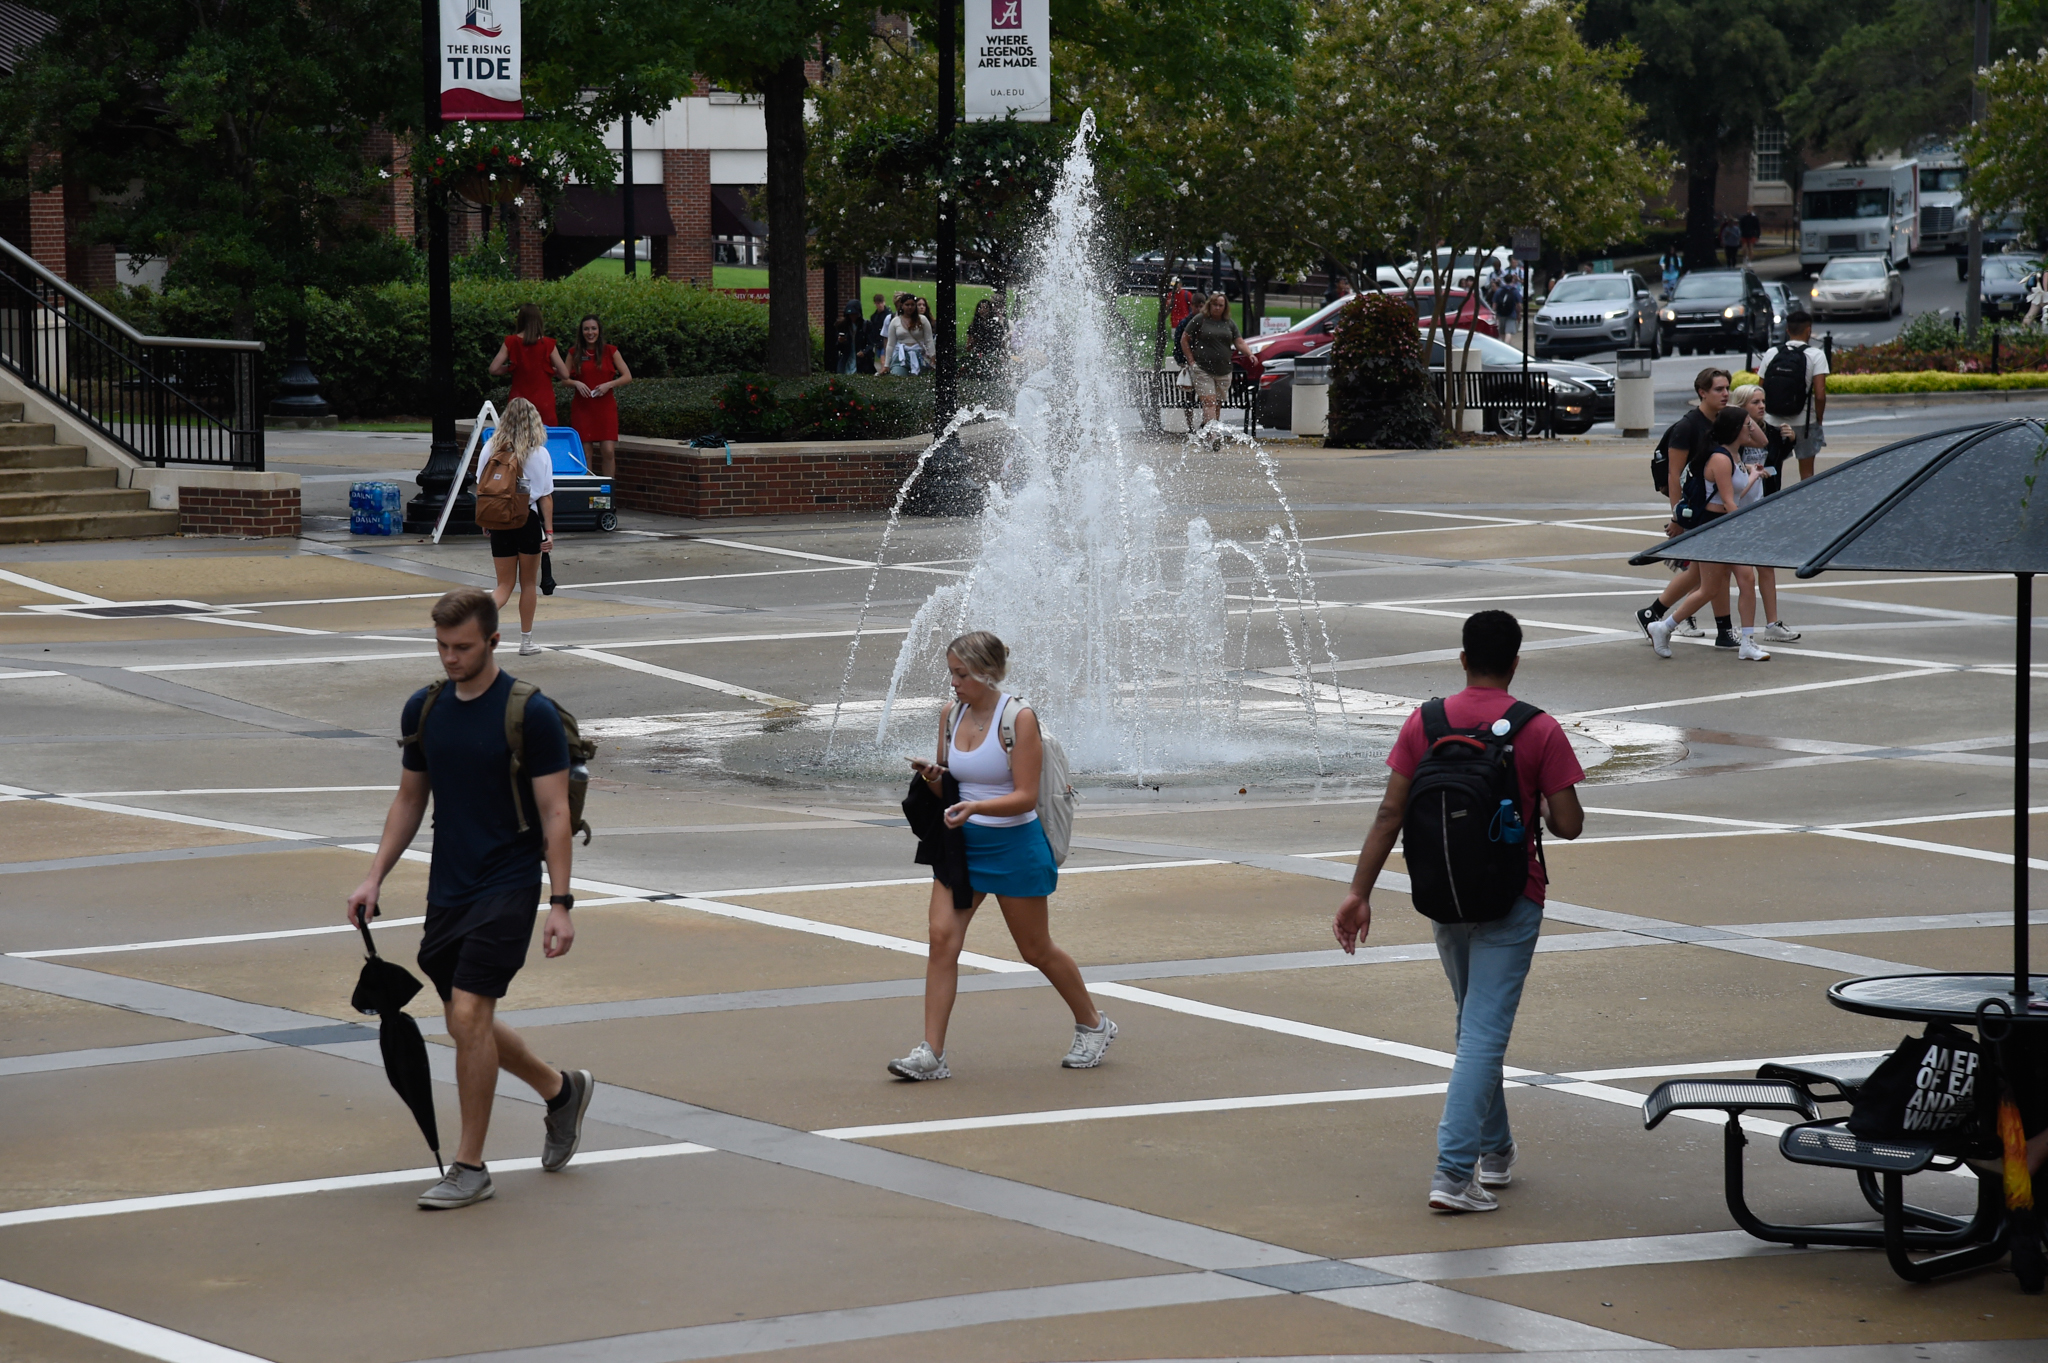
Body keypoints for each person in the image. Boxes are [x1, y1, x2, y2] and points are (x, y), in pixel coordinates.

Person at [1331, 610, 1585, 1213]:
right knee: (1482, 1032)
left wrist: (1358, 892)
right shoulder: (1538, 729)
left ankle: (1495, 1153)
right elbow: (1569, 824)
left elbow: (1390, 814)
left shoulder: (1426, 721)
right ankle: (1452, 1174)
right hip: (1511, 898)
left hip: (1444, 893)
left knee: (1475, 1025)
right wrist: (1538, 805)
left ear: (1463, 658)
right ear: (1515, 662)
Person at [346, 588, 591, 1211]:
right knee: (463, 1017)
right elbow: (409, 800)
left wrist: (560, 901)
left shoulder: (527, 714)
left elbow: (555, 810)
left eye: (462, 647)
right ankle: (560, 1091)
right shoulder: (425, 710)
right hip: (449, 886)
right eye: (442, 647)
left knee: (469, 1015)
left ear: (493, 643)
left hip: (509, 882)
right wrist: (374, 877)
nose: (450, 658)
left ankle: (470, 1165)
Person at [891, 631, 1115, 1080]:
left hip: (1014, 847)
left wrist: (976, 807)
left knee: (1035, 949)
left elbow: (1026, 797)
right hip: (961, 848)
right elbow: (950, 786)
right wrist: (935, 778)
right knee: (942, 941)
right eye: (951, 673)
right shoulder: (950, 716)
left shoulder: (1019, 719)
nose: (953, 683)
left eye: (960, 674)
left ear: (985, 673)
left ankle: (1094, 1024)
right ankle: (931, 1053)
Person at [1647, 406, 1770, 661]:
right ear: (1735, 429)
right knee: (1710, 589)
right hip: (1713, 527)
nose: (1751, 429)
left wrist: (1753, 476)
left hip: (1725, 524)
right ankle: (1663, 626)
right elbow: (1728, 502)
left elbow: (1737, 490)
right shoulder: (1721, 459)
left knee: (1747, 580)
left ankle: (1747, 642)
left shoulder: (1735, 456)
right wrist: (1746, 526)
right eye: (1746, 424)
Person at [1635, 367, 1733, 644]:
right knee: (1712, 572)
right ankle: (1721, 631)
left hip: (1711, 508)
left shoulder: (1721, 422)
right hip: (1696, 511)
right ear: (1702, 392)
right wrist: (1678, 516)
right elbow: (1674, 476)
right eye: (1718, 389)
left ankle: (1652, 614)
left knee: (1705, 573)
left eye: (1727, 388)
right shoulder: (1687, 428)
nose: (1725, 394)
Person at [483, 397, 555, 656]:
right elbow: (546, 496)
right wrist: (549, 532)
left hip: (500, 519)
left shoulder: (491, 447)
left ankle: (477, 625)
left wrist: (488, 519)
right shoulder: (540, 452)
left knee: (503, 585)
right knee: (528, 584)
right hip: (528, 520)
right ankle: (526, 641)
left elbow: (483, 487)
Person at [1730, 382, 1800, 642]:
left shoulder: (1772, 432)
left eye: (1763, 402)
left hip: (1765, 506)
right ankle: (1723, 624)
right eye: (1755, 402)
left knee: (1766, 566)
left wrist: (1790, 440)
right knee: (1727, 572)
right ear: (1742, 407)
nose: (1761, 406)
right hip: (1736, 509)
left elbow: (1775, 463)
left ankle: (1772, 623)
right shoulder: (1732, 435)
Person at [1755, 309, 1829, 481]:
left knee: (1771, 470)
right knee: (1807, 474)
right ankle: (1805, 505)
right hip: (1804, 422)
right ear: (1809, 330)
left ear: (1787, 330)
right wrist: (1818, 418)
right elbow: (1820, 394)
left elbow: (1760, 389)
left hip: (1773, 422)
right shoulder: (1816, 355)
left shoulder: (1772, 353)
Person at [1178, 291, 1260, 432]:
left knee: (1216, 404)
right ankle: (1213, 435)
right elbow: (1184, 339)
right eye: (1215, 305)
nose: (1217, 308)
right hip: (1202, 368)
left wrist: (1249, 354)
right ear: (1210, 305)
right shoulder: (1200, 319)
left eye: (1221, 305)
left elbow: (1239, 341)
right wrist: (1191, 361)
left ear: (1225, 307)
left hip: (1223, 370)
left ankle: (1207, 427)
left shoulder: (1229, 323)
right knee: (1209, 402)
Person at [565, 314, 631, 479]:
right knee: (585, 452)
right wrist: (576, 383)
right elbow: (563, 379)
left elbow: (627, 376)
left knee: (608, 451)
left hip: (605, 407)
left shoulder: (610, 351)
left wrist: (609, 384)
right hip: (583, 408)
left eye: (593, 328)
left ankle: (608, 492)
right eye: (586, 329)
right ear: (581, 332)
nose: (590, 332)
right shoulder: (574, 353)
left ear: (599, 330)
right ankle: (587, 493)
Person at [488, 304, 570, 426]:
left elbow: (493, 369)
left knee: (517, 435)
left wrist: (510, 368)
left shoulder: (511, 342)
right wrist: (549, 369)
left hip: (519, 400)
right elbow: (565, 374)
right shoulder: (547, 344)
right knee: (545, 435)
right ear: (539, 320)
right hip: (544, 400)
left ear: (520, 320)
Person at [884, 295, 934, 376]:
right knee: (897, 377)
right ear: (902, 306)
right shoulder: (895, 321)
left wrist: (933, 357)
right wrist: (886, 364)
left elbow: (929, 340)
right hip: (901, 356)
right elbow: (890, 344)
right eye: (907, 305)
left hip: (919, 355)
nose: (910, 307)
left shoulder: (922, 320)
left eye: (912, 305)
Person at [860, 294, 892, 375]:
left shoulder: (888, 315)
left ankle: (883, 373)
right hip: (878, 342)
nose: (880, 305)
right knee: (882, 359)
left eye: (881, 303)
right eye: (878, 303)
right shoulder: (874, 317)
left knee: (883, 359)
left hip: (886, 341)